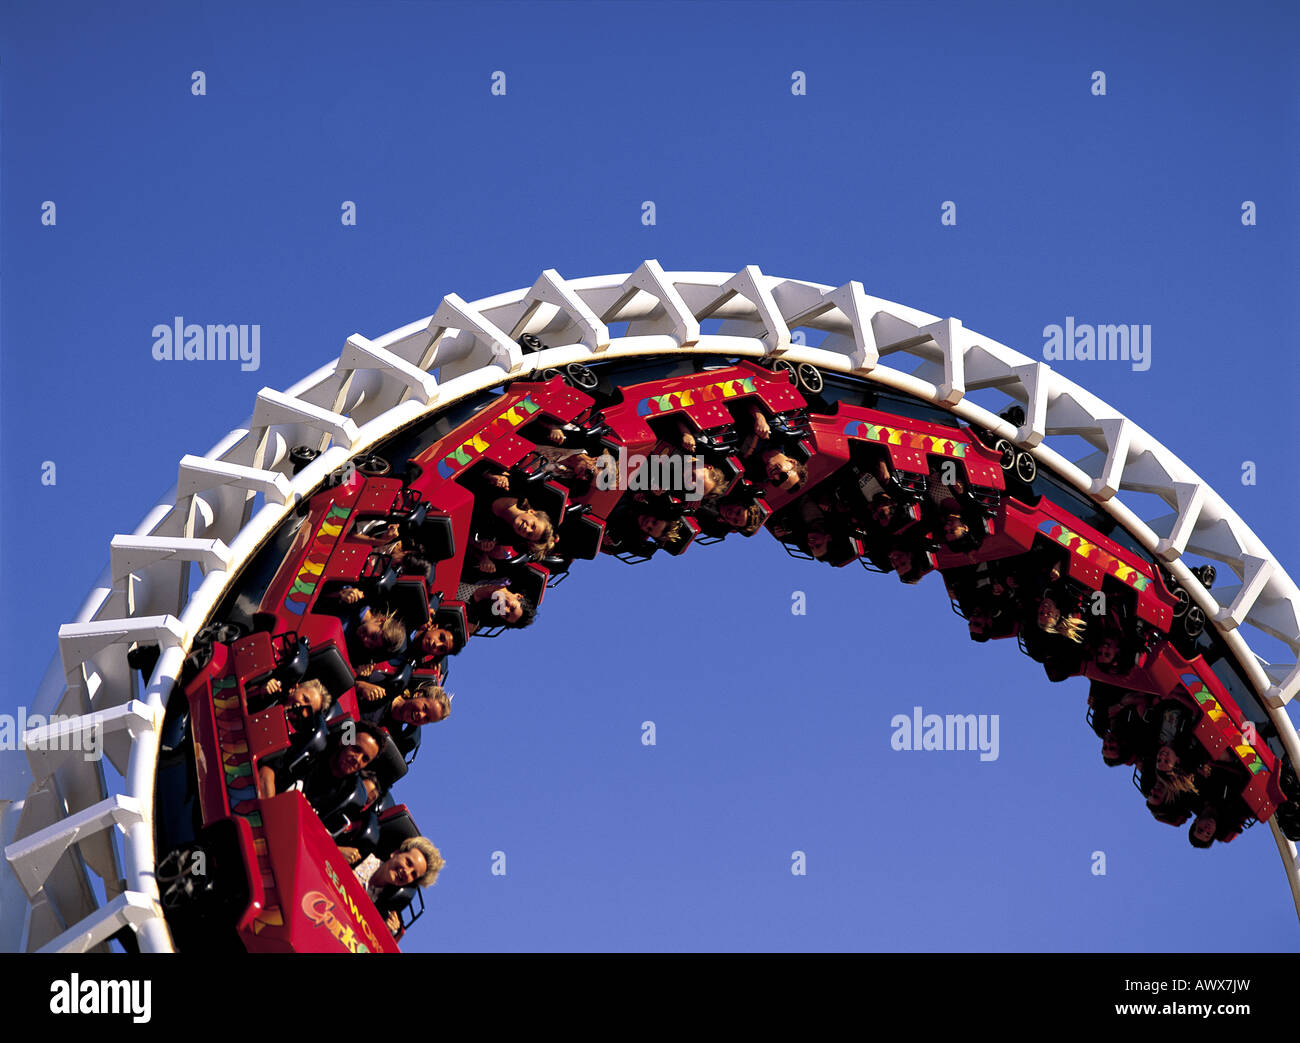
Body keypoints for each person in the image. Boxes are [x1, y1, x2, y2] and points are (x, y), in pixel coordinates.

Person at [338, 836, 444, 935]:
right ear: (395, 853)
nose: (407, 872)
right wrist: (337, 851)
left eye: (413, 874)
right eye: (408, 862)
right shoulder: (359, 851)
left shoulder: (384, 911)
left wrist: (385, 931)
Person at [245, 676, 333, 731]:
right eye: (305, 699)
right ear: (294, 688)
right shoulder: (269, 692)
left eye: (308, 710)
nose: (301, 706)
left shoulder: (289, 735)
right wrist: (258, 690)